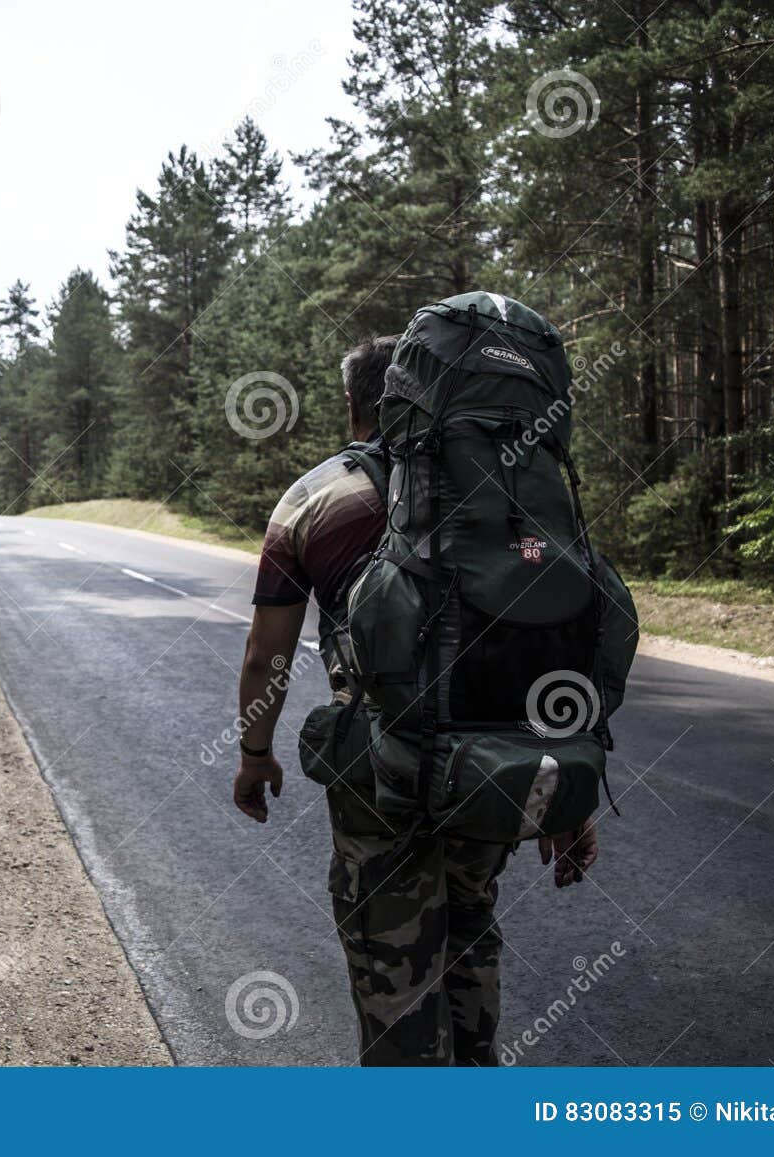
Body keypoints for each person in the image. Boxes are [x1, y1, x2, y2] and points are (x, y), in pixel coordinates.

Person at [230, 334, 598, 1066]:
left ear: (352, 402)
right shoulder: (504, 491)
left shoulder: (314, 496)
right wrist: (571, 792)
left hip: (382, 780)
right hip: (491, 768)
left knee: (394, 978)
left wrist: (254, 753)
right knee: (470, 935)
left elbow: (266, 652)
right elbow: (555, 640)